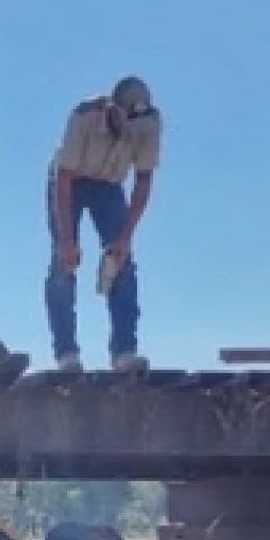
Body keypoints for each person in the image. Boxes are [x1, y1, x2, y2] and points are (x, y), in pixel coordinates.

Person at [46, 76, 160, 372]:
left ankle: (124, 351)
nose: (133, 131)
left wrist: (125, 238)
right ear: (113, 110)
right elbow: (64, 178)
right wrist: (68, 240)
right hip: (70, 181)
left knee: (122, 262)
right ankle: (66, 353)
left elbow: (144, 181)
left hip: (110, 185)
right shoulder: (84, 117)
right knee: (63, 263)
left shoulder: (151, 123)